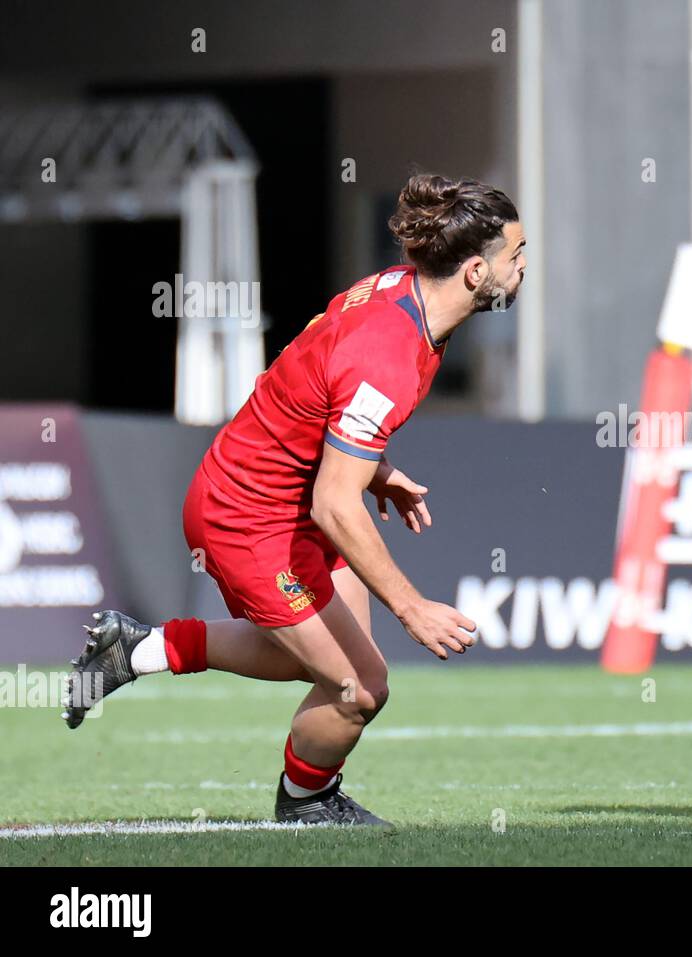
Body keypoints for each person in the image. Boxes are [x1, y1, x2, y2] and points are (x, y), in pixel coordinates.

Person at [63, 173, 527, 826]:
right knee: (358, 688)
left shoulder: (400, 294)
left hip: (285, 495)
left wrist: (379, 467)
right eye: (517, 253)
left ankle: (137, 650)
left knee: (320, 662)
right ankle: (306, 801)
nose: (524, 265)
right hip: (245, 514)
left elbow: (317, 363)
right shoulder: (390, 353)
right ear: (477, 271)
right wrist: (412, 605)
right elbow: (335, 505)